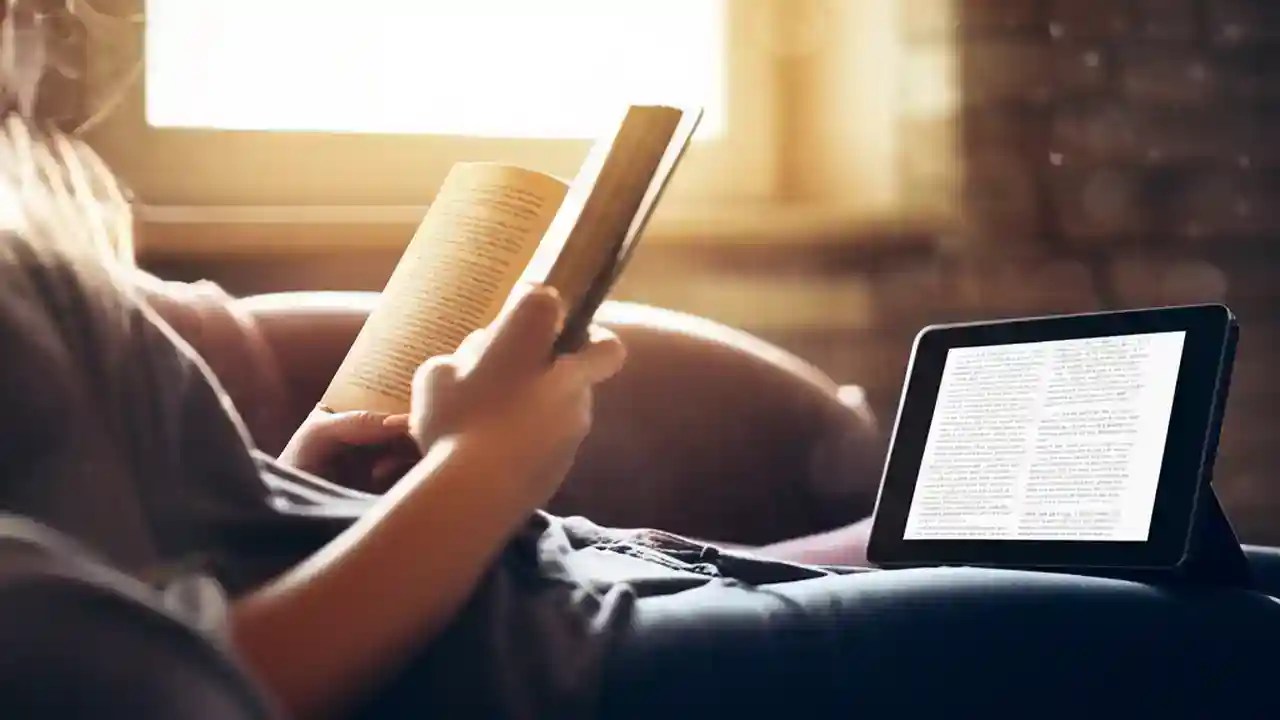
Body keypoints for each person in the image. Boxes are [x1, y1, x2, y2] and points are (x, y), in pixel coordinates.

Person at [4, 117, 1280, 720]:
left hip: (547, 600)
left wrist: (303, 482)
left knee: (1235, 585)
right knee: (1228, 649)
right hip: (551, 673)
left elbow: (146, 580)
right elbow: (193, 695)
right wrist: (482, 471)